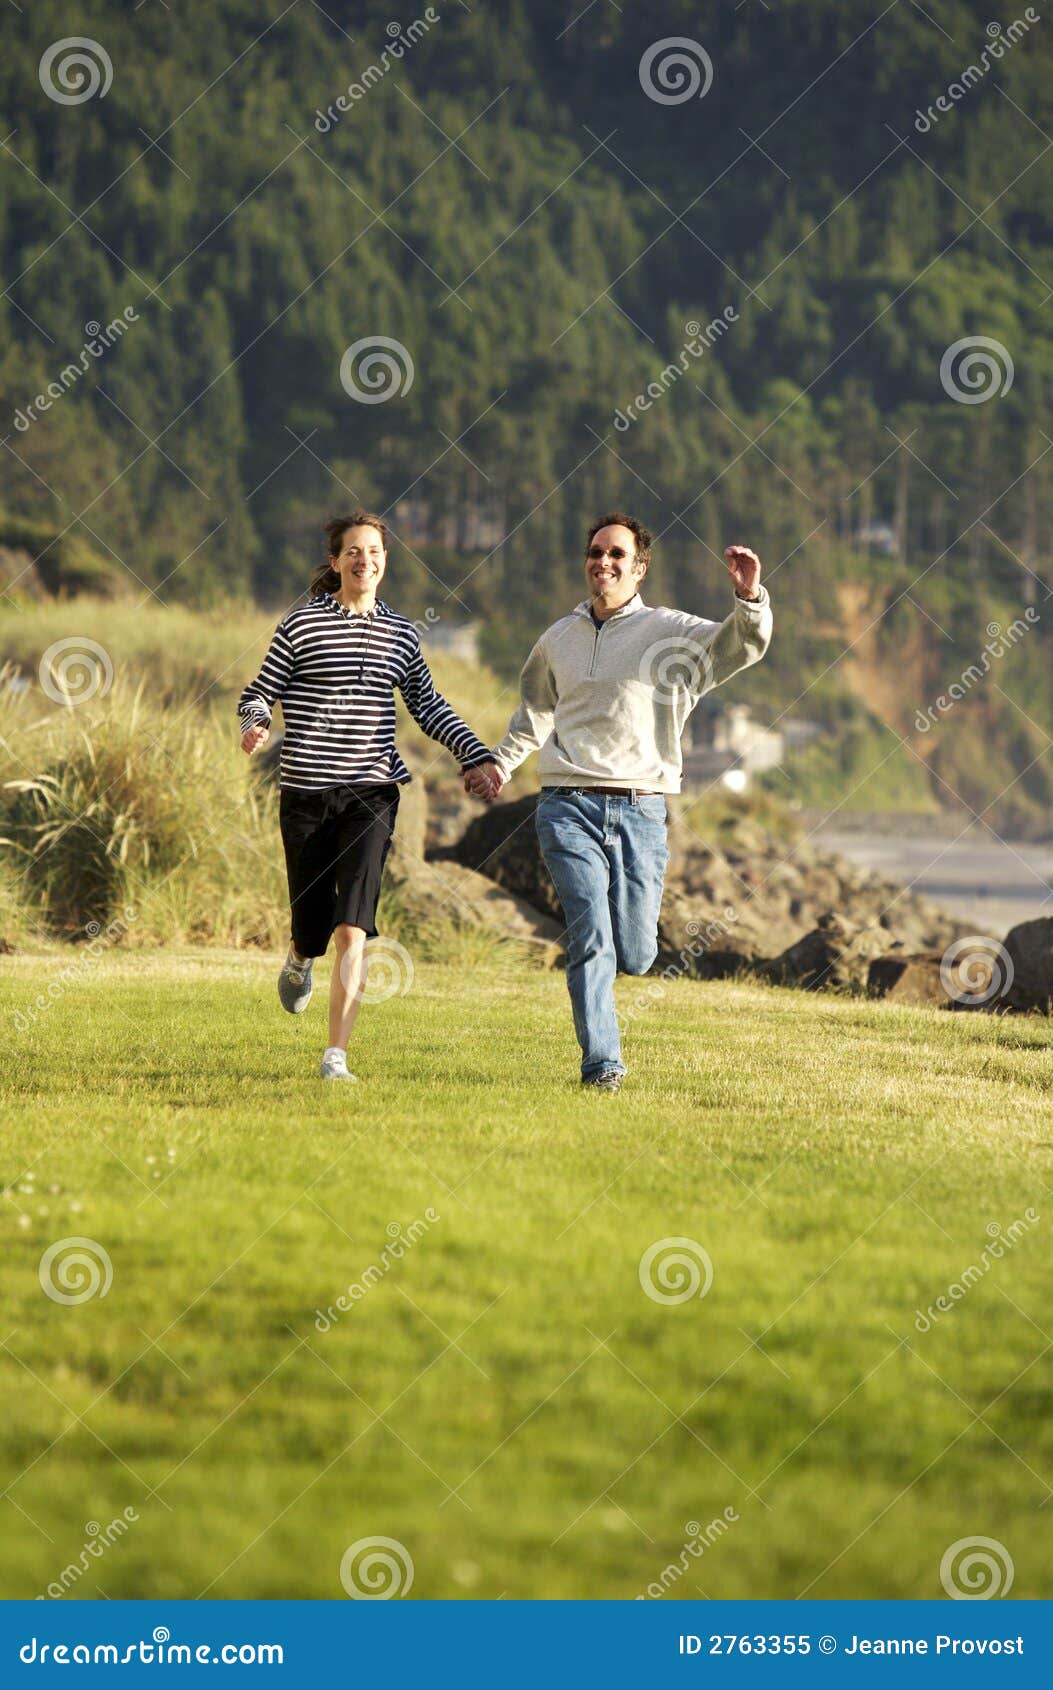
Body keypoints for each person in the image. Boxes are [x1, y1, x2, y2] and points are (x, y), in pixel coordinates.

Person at [483, 511, 773, 1092]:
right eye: (595, 553)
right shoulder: (558, 639)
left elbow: (738, 648)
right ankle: (603, 1065)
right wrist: (499, 764)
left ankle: (623, 976)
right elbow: (535, 712)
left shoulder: (671, 632)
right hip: (566, 803)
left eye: (617, 555)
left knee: (637, 953)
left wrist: (749, 597)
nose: (603, 563)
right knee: (590, 934)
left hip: (642, 809)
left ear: (639, 569)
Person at [239, 510, 499, 1082]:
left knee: (353, 926)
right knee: (312, 925)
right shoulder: (301, 625)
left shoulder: (401, 633)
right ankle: (299, 956)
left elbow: (428, 705)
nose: (366, 560)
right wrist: (254, 724)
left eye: (375, 551)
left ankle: (336, 1055)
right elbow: (259, 691)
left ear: (385, 561)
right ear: (336, 562)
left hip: (372, 792)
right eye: (354, 550)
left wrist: (474, 754)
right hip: (307, 791)